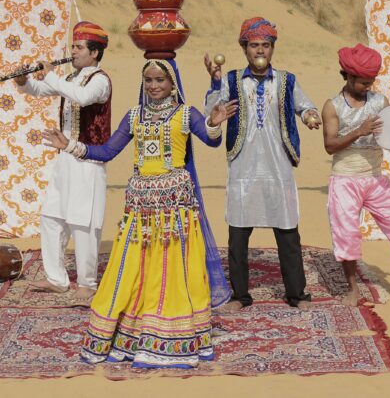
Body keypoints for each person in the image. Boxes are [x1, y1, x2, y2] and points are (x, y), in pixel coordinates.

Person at [43, 59, 235, 368]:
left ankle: (171, 333)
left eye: (161, 80)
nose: (155, 85)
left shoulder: (186, 114)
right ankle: (135, 330)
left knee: (174, 269)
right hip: (141, 209)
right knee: (134, 266)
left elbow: (211, 141)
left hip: (174, 209)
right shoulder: (134, 117)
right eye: (149, 80)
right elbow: (107, 151)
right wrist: (69, 145)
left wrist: (214, 123)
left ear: (173, 84)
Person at [204, 17, 321, 310]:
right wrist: (215, 82)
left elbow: (305, 105)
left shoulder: (286, 80)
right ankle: (241, 296)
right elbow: (212, 114)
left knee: (287, 231)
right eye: (254, 45)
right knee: (238, 235)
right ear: (244, 48)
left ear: (272, 49)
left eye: (266, 45)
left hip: (277, 168)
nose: (260, 51)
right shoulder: (231, 80)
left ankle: (297, 294)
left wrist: (309, 116)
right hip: (243, 169)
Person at [321, 44, 390, 306]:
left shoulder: (381, 102)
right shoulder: (332, 106)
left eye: (371, 82)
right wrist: (359, 130)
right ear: (347, 76)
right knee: (346, 234)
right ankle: (353, 290)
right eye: (362, 83)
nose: (367, 87)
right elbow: (330, 145)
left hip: (375, 177)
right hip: (345, 178)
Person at [16, 20, 113, 302]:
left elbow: (81, 98)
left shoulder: (100, 81)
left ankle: (87, 282)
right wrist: (24, 81)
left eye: (79, 47)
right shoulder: (69, 79)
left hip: (87, 161)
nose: (73, 51)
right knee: (51, 217)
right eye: (73, 46)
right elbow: (38, 90)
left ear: (94, 53)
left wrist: (52, 75)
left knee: (84, 223)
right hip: (64, 160)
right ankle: (57, 279)